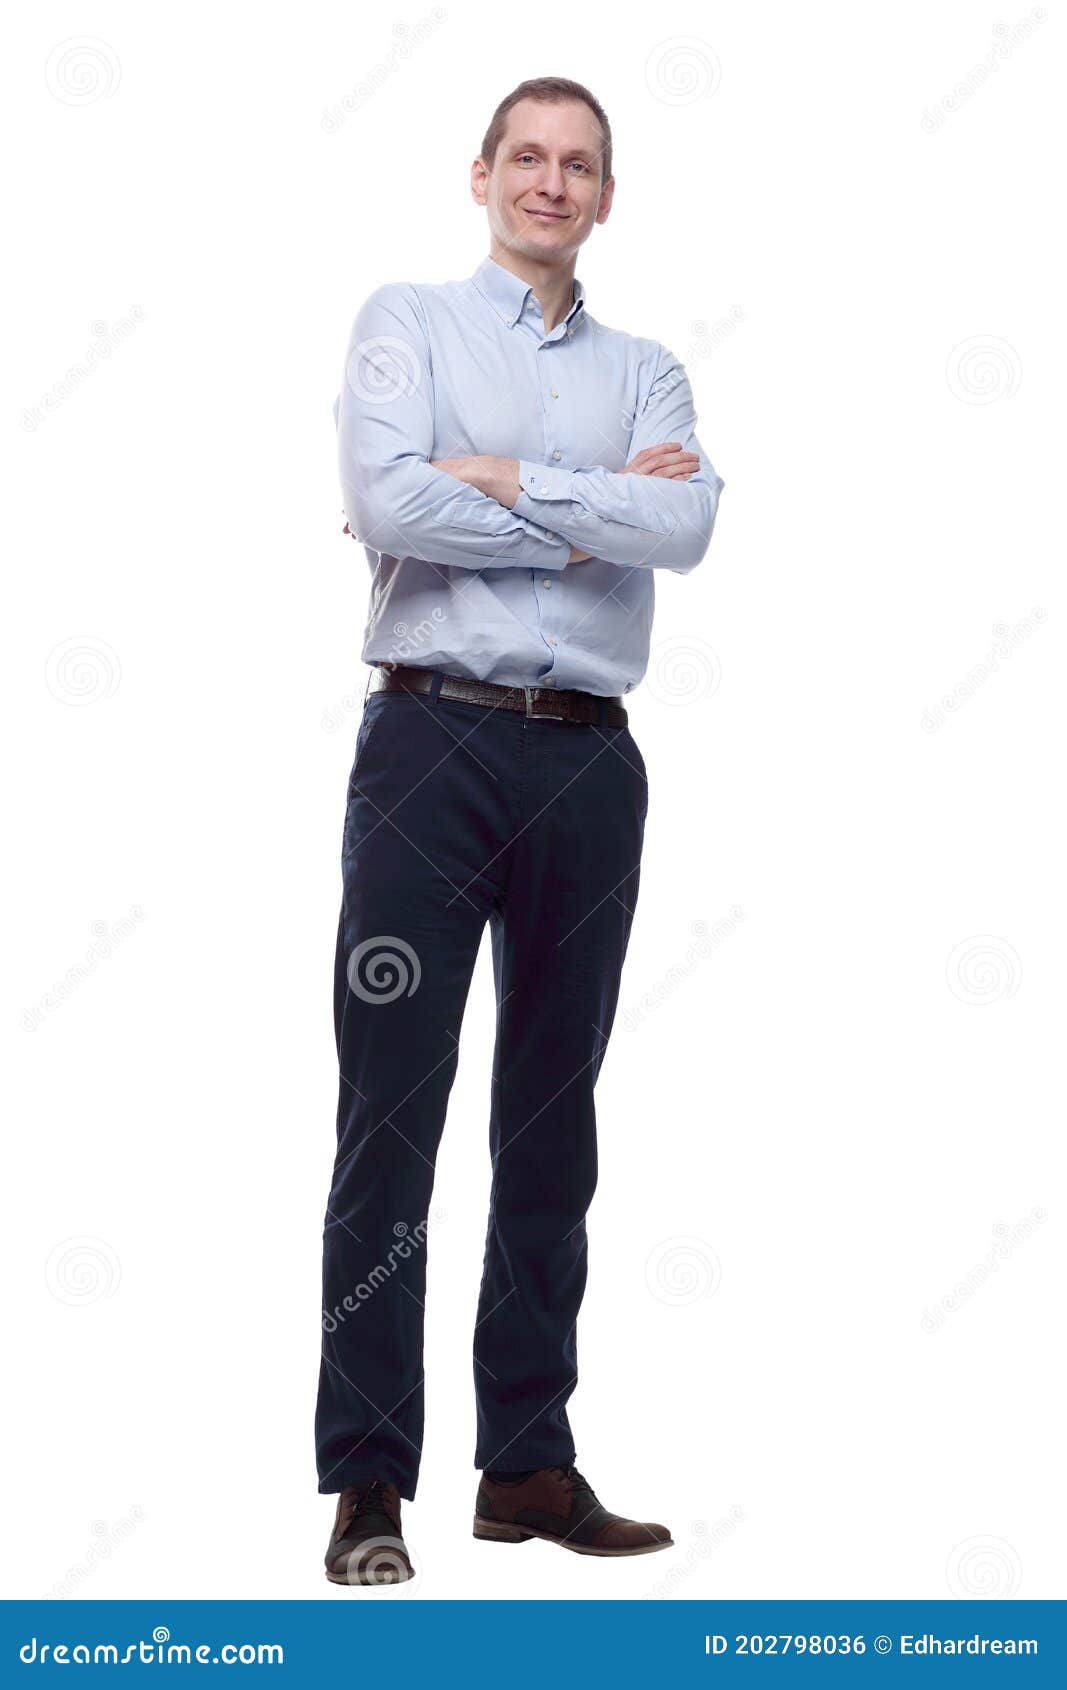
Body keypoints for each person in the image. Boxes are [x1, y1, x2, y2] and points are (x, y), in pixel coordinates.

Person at [317, 75, 725, 1584]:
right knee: (390, 1119)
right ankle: (367, 1481)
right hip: (429, 743)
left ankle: (528, 1464)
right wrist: (586, 505)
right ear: (481, 173)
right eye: (528, 158)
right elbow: (386, 496)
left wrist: (495, 478)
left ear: (606, 198)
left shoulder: (651, 370)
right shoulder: (406, 325)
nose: (551, 183)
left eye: (580, 166)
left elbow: (685, 526)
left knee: (555, 1123)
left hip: (585, 766)